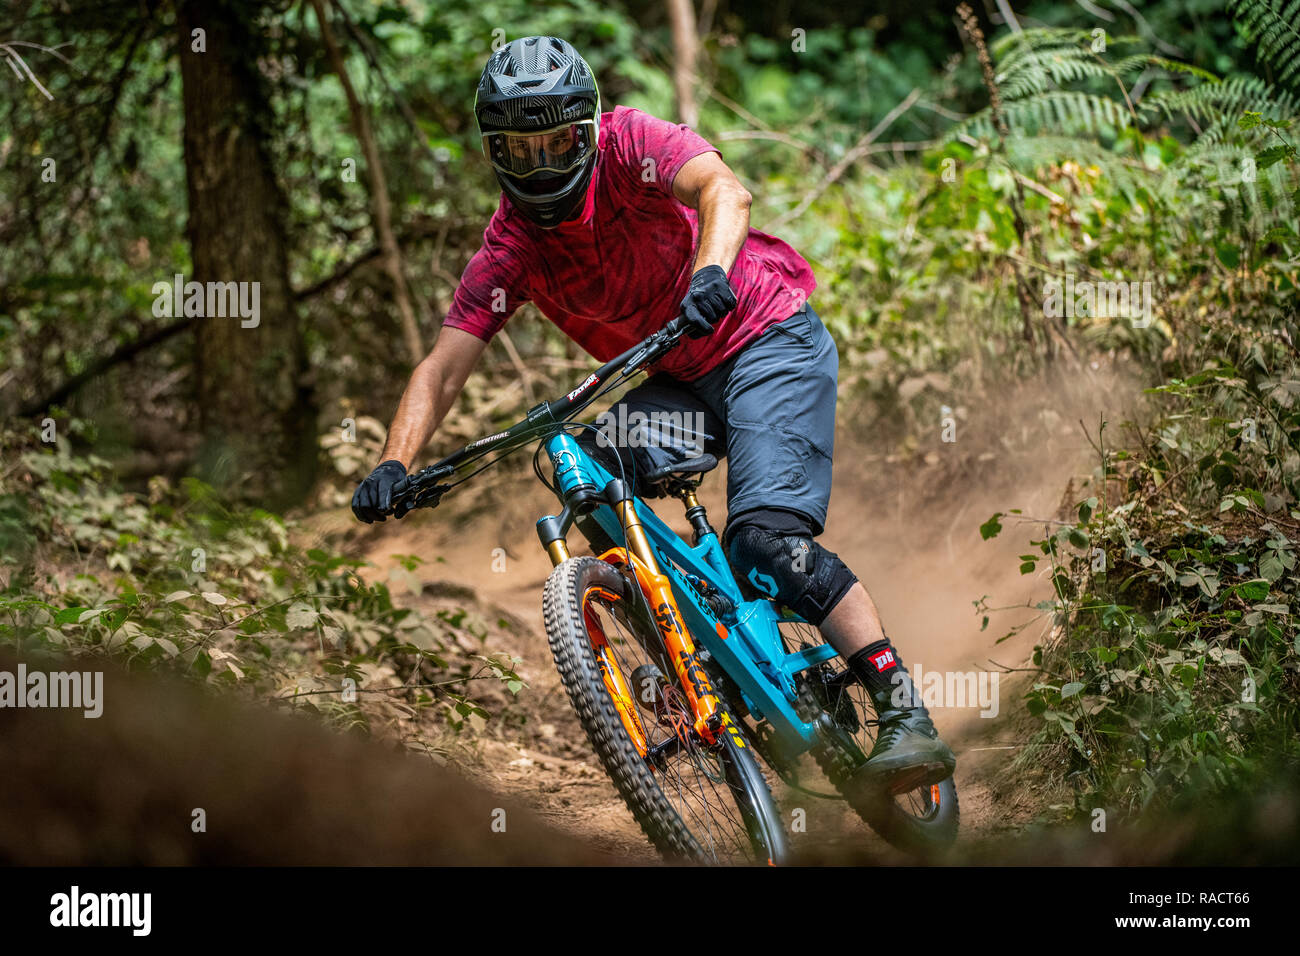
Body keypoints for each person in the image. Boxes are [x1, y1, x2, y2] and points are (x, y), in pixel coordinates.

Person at [351, 35, 954, 794]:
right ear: (494, 152)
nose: (541, 163)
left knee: (765, 537)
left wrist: (710, 274)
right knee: (586, 477)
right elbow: (440, 370)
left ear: (588, 128)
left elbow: (724, 192)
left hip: (764, 339)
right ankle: (695, 657)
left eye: (556, 142)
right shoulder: (511, 250)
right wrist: (394, 461)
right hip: (674, 379)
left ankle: (904, 711)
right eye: (520, 148)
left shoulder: (632, 145)